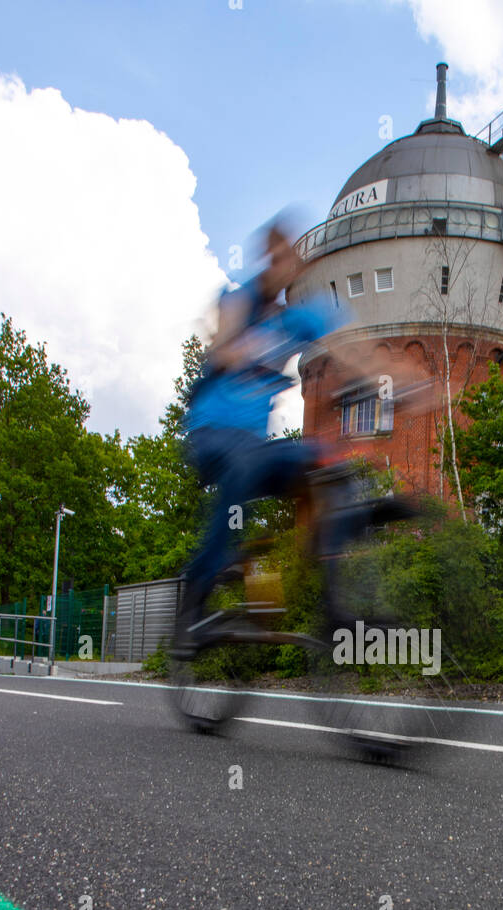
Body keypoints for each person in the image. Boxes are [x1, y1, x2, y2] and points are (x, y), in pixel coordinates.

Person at [173, 219, 349, 656]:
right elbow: (223, 343)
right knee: (245, 460)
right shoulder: (241, 300)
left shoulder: (296, 320)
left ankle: (327, 583)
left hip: (254, 447)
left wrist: (410, 385)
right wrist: (238, 350)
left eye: (293, 264)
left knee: (322, 462)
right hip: (210, 434)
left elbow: (355, 349)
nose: (285, 271)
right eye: (279, 260)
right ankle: (198, 593)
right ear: (268, 262)